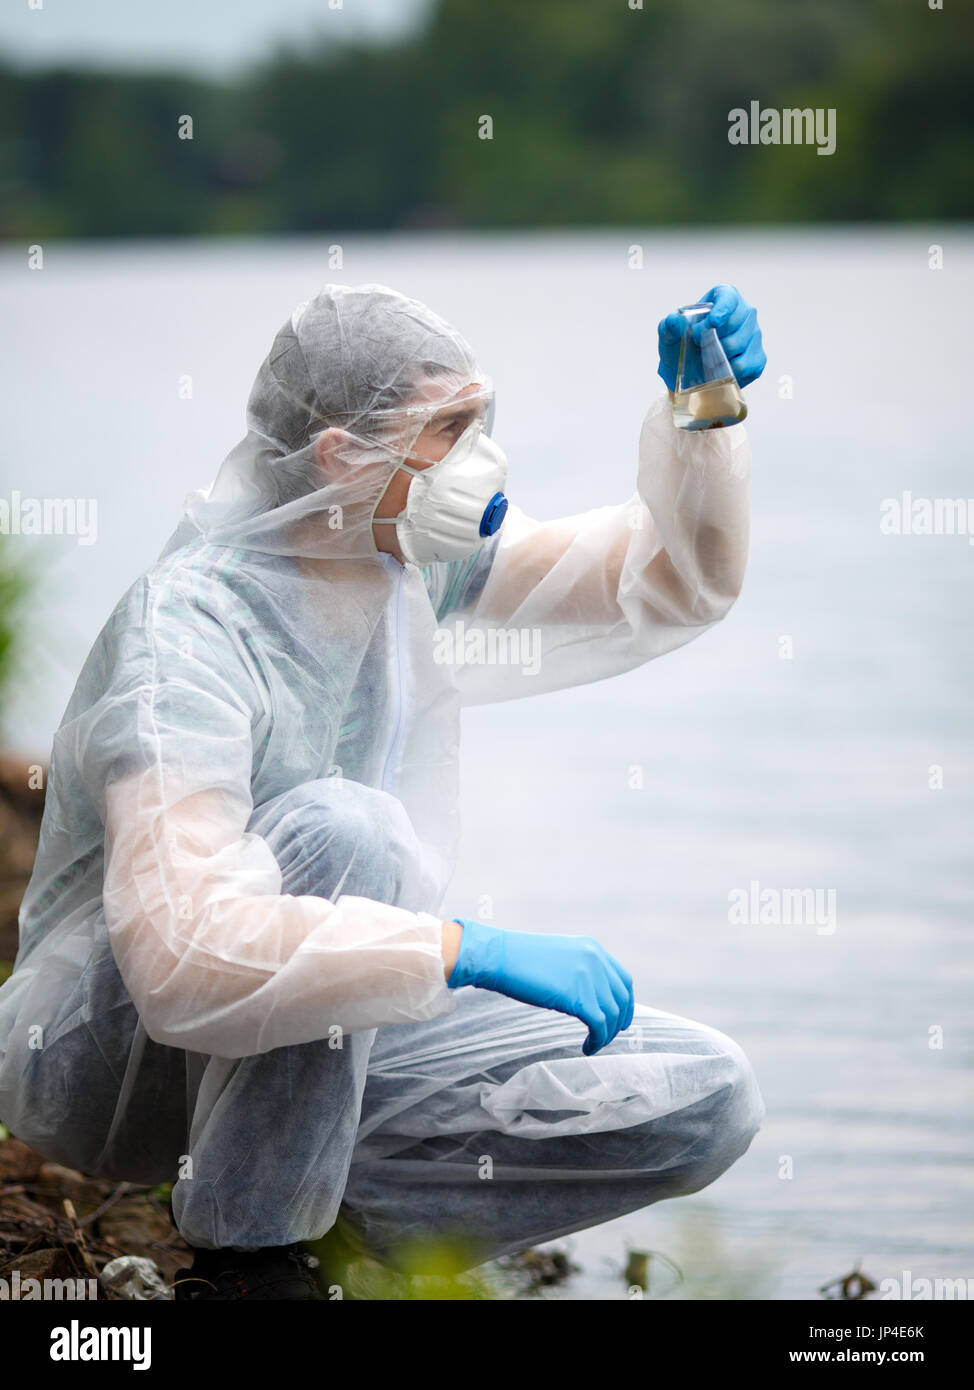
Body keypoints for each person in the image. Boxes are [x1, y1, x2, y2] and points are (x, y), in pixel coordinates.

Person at [0, 282, 767, 1300]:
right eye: (449, 428)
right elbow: (179, 954)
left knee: (701, 1093)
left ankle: (341, 1232)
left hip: (312, 1035)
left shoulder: (405, 564)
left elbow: (664, 580)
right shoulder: (186, 637)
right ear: (337, 455)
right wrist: (462, 950)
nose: (480, 454)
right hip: (120, 1061)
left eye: (479, 419)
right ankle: (249, 1258)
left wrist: (701, 423)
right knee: (347, 829)